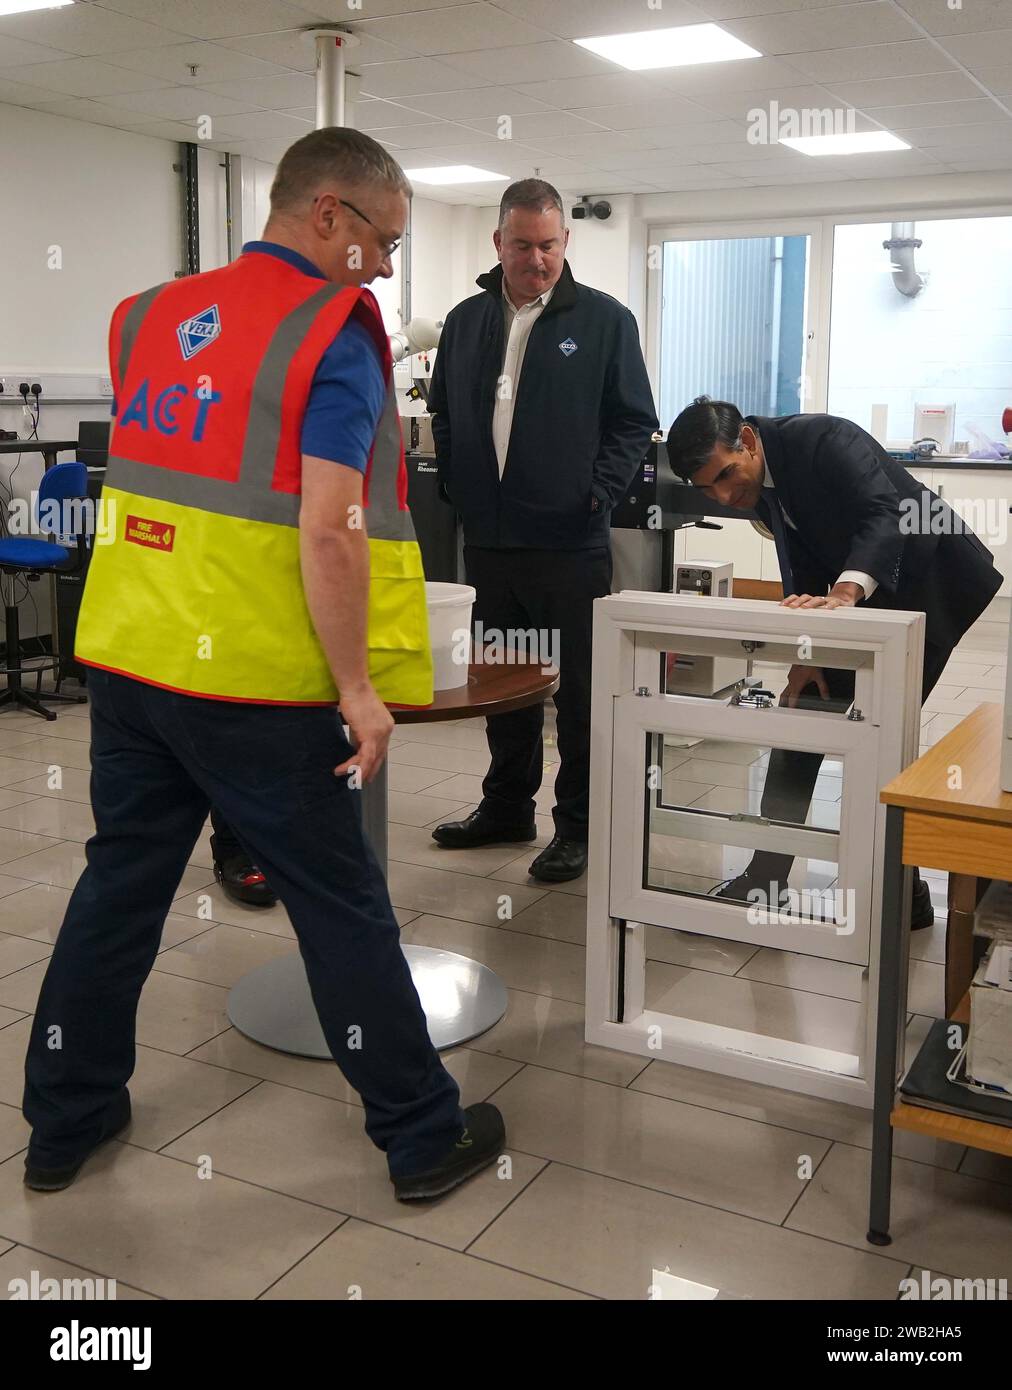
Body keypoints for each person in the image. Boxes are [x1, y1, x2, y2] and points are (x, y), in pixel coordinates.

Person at [22, 127, 504, 1201]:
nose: (383, 267)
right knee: (339, 907)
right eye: (381, 239)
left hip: (131, 662)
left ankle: (64, 1119)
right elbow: (326, 527)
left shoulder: (144, 317)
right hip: (253, 683)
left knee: (118, 890)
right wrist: (360, 689)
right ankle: (423, 1135)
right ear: (328, 213)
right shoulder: (331, 327)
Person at [665, 397, 1004, 928]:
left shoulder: (825, 440)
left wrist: (844, 596)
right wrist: (809, 648)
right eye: (708, 489)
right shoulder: (755, 479)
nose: (725, 496)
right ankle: (770, 878)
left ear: (748, 441)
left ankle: (900, 893)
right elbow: (798, 554)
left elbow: (885, 512)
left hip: (932, 583)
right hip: (862, 599)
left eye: (727, 477)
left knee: (878, 731)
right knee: (803, 711)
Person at [428, 179, 658, 882]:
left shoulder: (604, 321)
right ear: (498, 243)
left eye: (549, 245)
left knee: (577, 691)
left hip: (569, 543)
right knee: (504, 686)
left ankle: (579, 826)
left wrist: (596, 495)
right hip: (492, 542)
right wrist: (458, 486)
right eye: (523, 244)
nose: (537, 258)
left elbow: (632, 421)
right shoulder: (466, 322)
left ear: (566, 244)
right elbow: (441, 410)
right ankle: (506, 809)